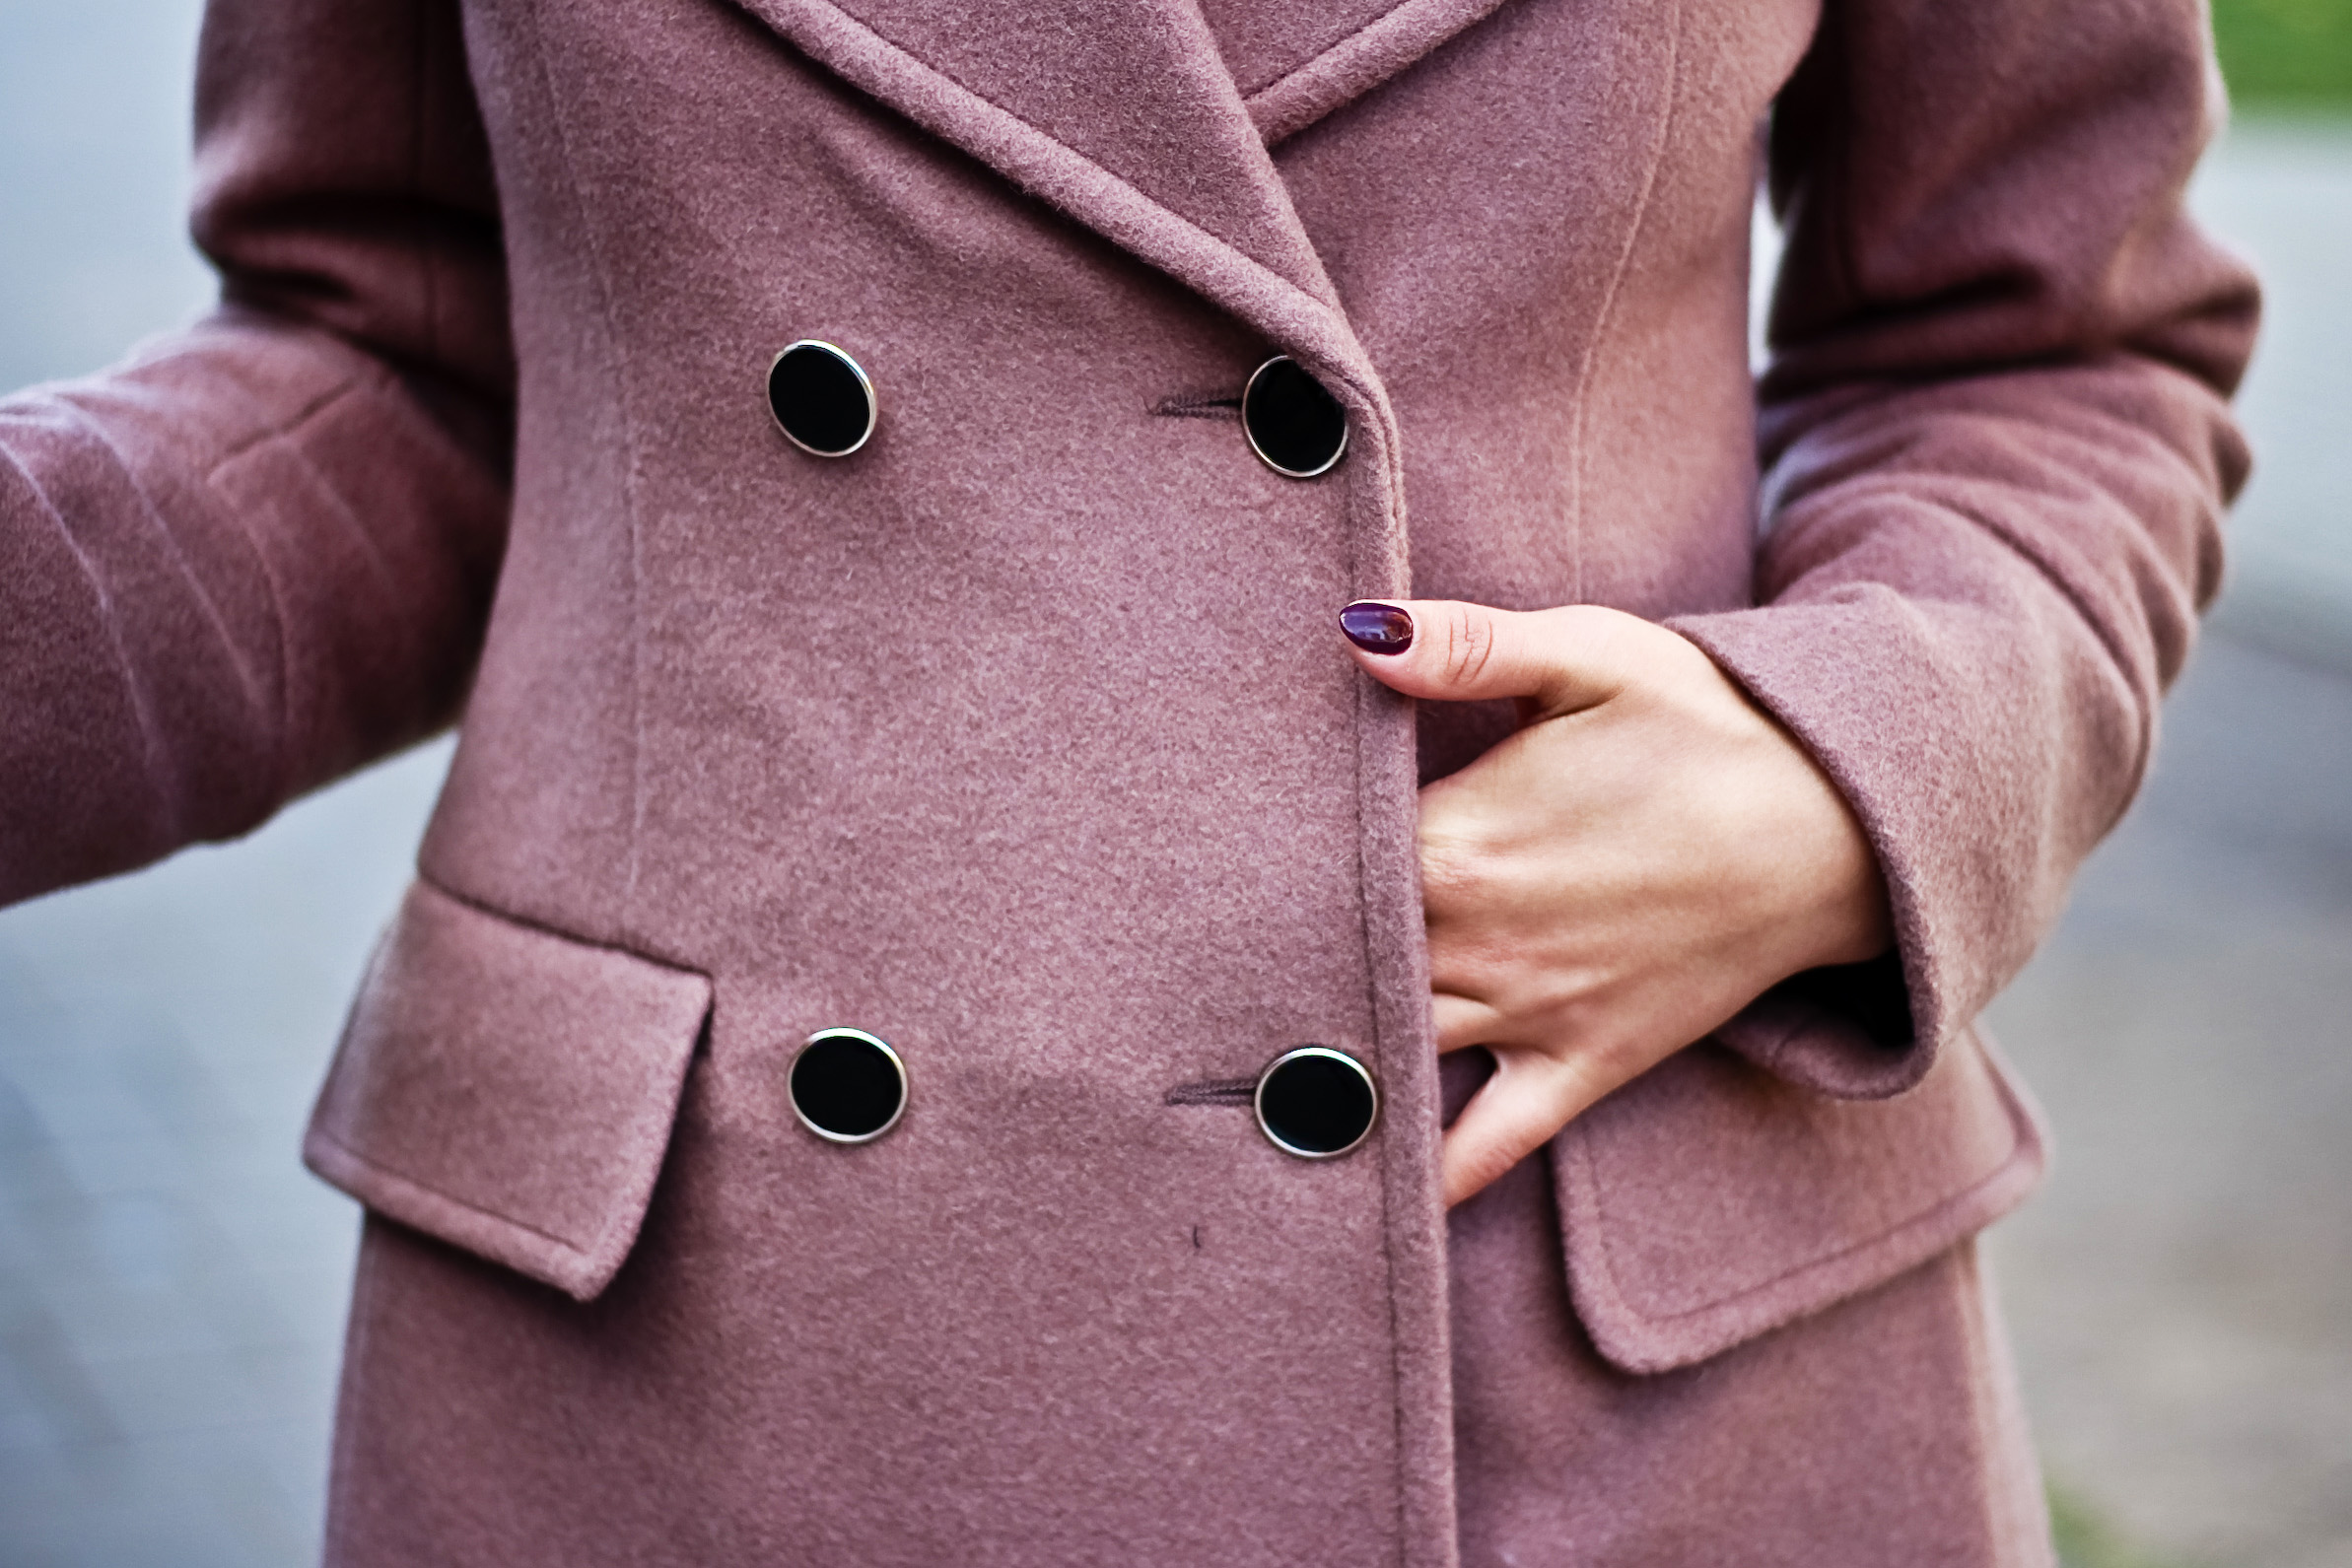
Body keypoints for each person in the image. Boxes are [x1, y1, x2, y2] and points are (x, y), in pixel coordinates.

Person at [0, 0, 2255, 1561]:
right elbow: (396, 355)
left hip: (1571, 1311)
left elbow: (2046, 345)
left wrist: (1850, 758)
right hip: (722, 1338)